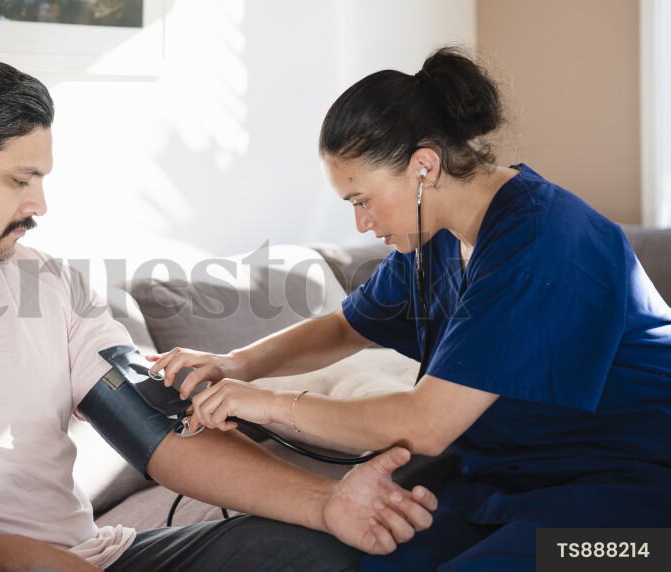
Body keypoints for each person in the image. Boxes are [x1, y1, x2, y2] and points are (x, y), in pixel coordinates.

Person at [0, 55, 439, 572]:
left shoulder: (45, 281)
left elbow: (157, 429)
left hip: (96, 556)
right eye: (20, 179)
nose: (40, 204)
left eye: (43, 177)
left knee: (313, 552)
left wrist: (328, 503)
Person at [150, 46, 671, 570]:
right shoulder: (434, 242)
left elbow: (427, 424)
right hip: (510, 483)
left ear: (424, 166)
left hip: (631, 499)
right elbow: (345, 327)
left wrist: (263, 402)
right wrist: (235, 364)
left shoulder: (541, 243)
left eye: (362, 200)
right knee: (379, 560)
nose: (361, 224)